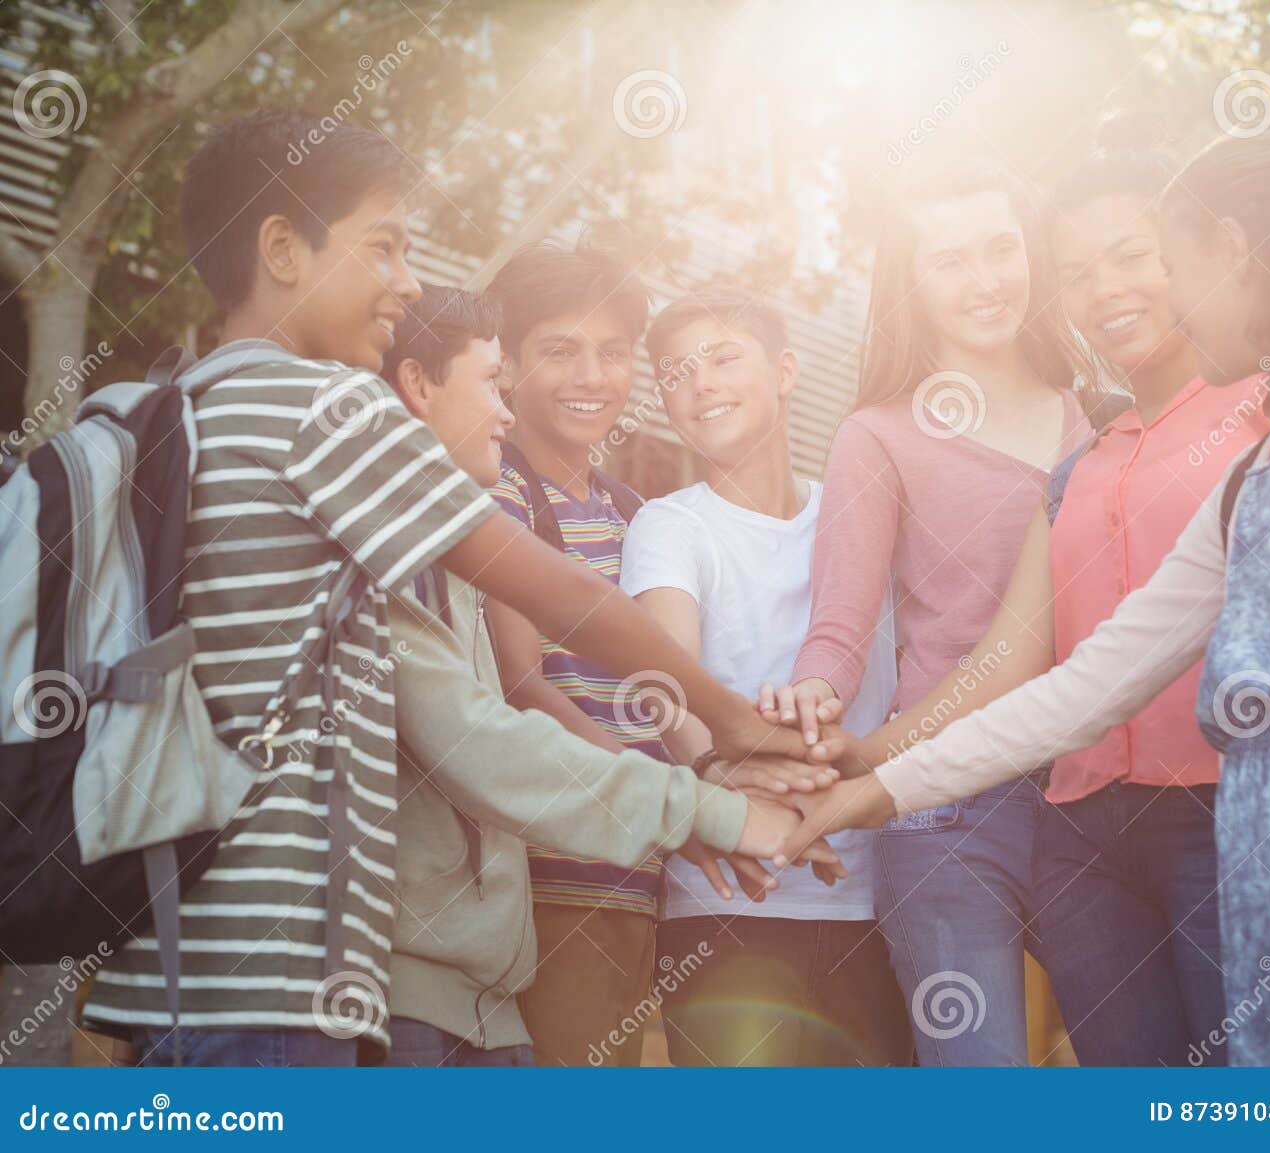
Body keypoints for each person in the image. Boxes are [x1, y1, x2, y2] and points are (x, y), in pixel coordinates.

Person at [82, 110, 819, 1066]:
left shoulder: (174, 409)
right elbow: (536, 624)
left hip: (189, 959)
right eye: (384, 247)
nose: (409, 280)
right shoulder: (325, 409)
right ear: (282, 250)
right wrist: (726, 735)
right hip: (288, 985)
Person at [777, 124, 1270, 1069]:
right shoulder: (1254, 470)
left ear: (1234, 256)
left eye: (1164, 260)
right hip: (1269, 911)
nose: (1144, 294)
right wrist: (874, 791)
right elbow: (1089, 683)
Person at [376, 284, 788, 1066]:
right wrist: (681, 802)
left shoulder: (637, 510)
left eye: (613, 353)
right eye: (557, 351)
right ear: (512, 370)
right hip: (558, 869)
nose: (590, 376)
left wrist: (698, 786)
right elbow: (520, 682)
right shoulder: (490, 492)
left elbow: (662, 683)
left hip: (641, 863)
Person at [760, 161, 1097, 1065]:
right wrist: (809, 707)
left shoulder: (1098, 417)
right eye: (949, 261)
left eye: (1000, 249)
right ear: (911, 283)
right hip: (941, 800)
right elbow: (838, 629)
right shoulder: (878, 433)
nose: (985, 281)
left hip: (1097, 792)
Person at [621, 287, 913, 1066]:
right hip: (725, 908)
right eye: (678, 373)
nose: (703, 383)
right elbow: (666, 680)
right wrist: (719, 766)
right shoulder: (669, 526)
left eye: (724, 357)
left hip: (877, 902)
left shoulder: (863, 512)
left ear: (785, 371)